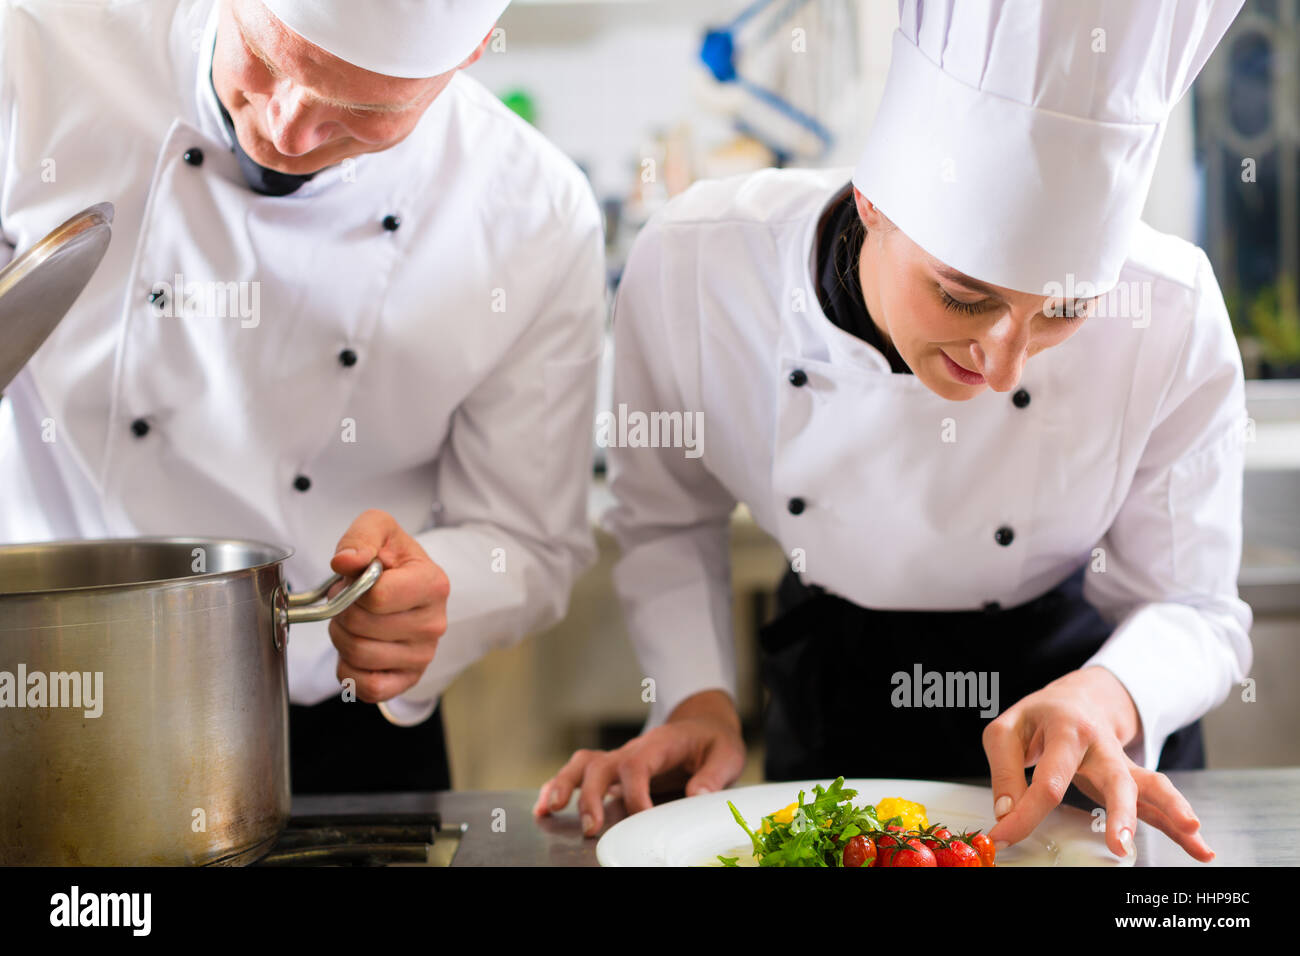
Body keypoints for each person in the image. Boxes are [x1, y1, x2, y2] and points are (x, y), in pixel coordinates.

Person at [537, 0, 1252, 863]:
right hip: (843, 696)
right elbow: (665, 518)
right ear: (871, 201)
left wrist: (1111, 695)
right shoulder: (699, 269)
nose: (1004, 366)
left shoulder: (1168, 309)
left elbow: (1195, 606)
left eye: (1064, 313)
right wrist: (694, 698)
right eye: (963, 296)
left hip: (1078, 722)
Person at [0, 0, 606, 792]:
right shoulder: (31, 53)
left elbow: (528, 540)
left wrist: (427, 596)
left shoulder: (536, 215)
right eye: (265, 59)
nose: (287, 132)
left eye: (361, 109)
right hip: (36, 690)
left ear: (472, 56)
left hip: (327, 730)